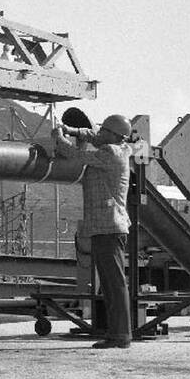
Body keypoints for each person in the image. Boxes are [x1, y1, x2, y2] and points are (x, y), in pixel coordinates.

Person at [53, 114, 134, 349]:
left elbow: (78, 156)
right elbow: (95, 138)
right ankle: (116, 333)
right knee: (109, 283)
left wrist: (60, 139)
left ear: (114, 135)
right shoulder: (118, 148)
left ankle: (121, 335)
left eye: (104, 131)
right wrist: (74, 130)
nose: (99, 133)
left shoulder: (111, 153)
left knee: (114, 283)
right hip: (105, 227)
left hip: (108, 227)